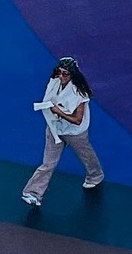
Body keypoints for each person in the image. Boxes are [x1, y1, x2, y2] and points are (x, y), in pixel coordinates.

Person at [22, 56, 104, 208]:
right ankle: (33, 193)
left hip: (75, 132)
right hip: (55, 128)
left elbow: (78, 119)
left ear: (72, 74)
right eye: (59, 72)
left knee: (86, 155)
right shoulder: (55, 82)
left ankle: (96, 176)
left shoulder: (80, 92)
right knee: (48, 163)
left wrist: (58, 112)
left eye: (65, 73)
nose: (61, 76)